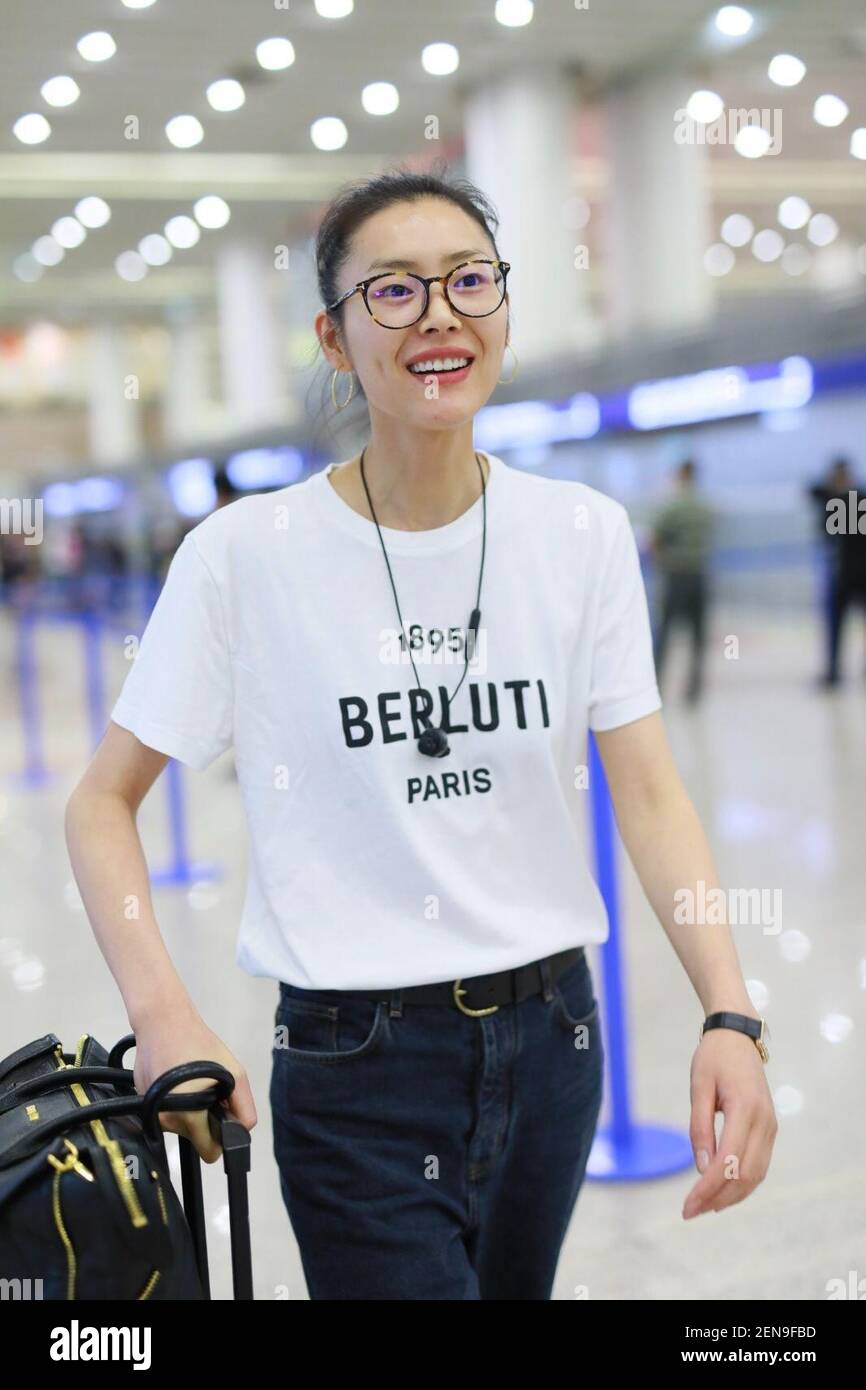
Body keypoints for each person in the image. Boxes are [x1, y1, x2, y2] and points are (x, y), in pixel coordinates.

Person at [65, 164, 776, 1301]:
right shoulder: (247, 555)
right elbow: (100, 802)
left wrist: (729, 1011)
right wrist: (163, 1014)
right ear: (335, 338)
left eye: (467, 281)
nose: (439, 313)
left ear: (502, 307)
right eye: (391, 292)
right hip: (355, 1069)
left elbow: (647, 792)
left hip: (552, 1043)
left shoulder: (581, 535)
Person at [650, 459, 716, 703]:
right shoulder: (705, 507)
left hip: (675, 576)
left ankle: (656, 685)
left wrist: (661, 563)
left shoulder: (672, 506)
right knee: (698, 635)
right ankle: (694, 690)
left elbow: (654, 539)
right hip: (699, 575)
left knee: (665, 633)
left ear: (680, 475)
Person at [807, 456, 866, 685]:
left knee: (835, 626)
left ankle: (833, 674)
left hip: (845, 574)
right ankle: (834, 672)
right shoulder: (859, 497)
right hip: (856, 573)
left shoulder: (836, 501)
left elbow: (827, 532)